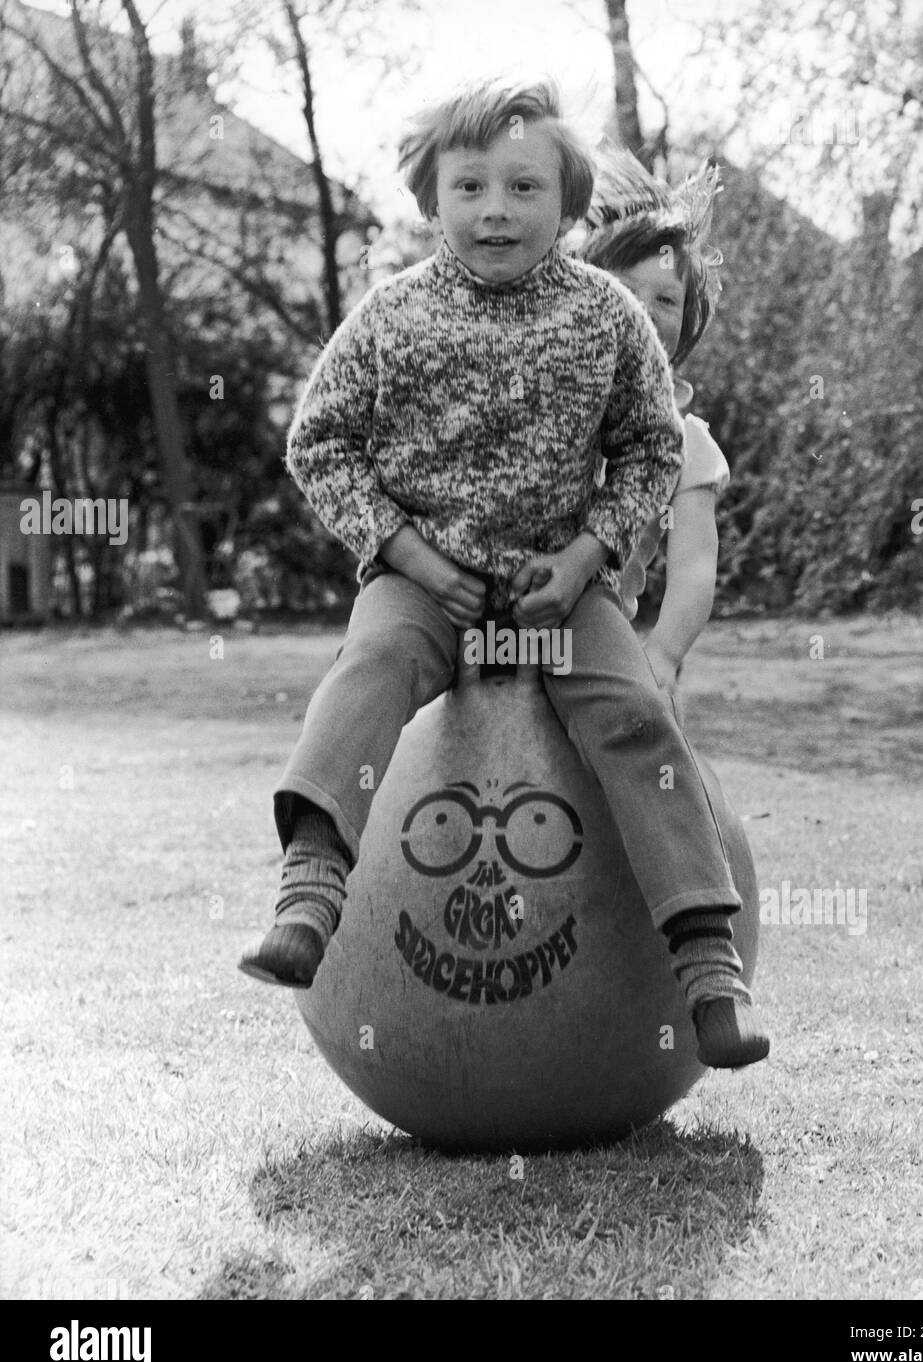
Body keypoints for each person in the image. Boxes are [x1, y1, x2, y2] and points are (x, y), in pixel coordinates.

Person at [238, 78, 769, 1069]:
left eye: (525, 188)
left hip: (556, 588)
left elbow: (656, 450)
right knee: (370, 663)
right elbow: (319, 443)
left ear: (568, 210)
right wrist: (404, 555)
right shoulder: (391, 317)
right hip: (422, 575)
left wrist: (586, 557)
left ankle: (706, 966)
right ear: (431, 199)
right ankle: (311, 883)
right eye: (470, 185)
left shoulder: (606, 315)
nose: (495, 209)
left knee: (634, 715)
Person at [578, 143, 730, 694]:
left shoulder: (686, 442)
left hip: (600, 648)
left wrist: (663, 655)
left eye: (665, 300)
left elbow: (693, 567)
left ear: (685, 322)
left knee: (639, 748)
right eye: (622, 289)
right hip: (497, 633)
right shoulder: (538, 403)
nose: (640, 310)